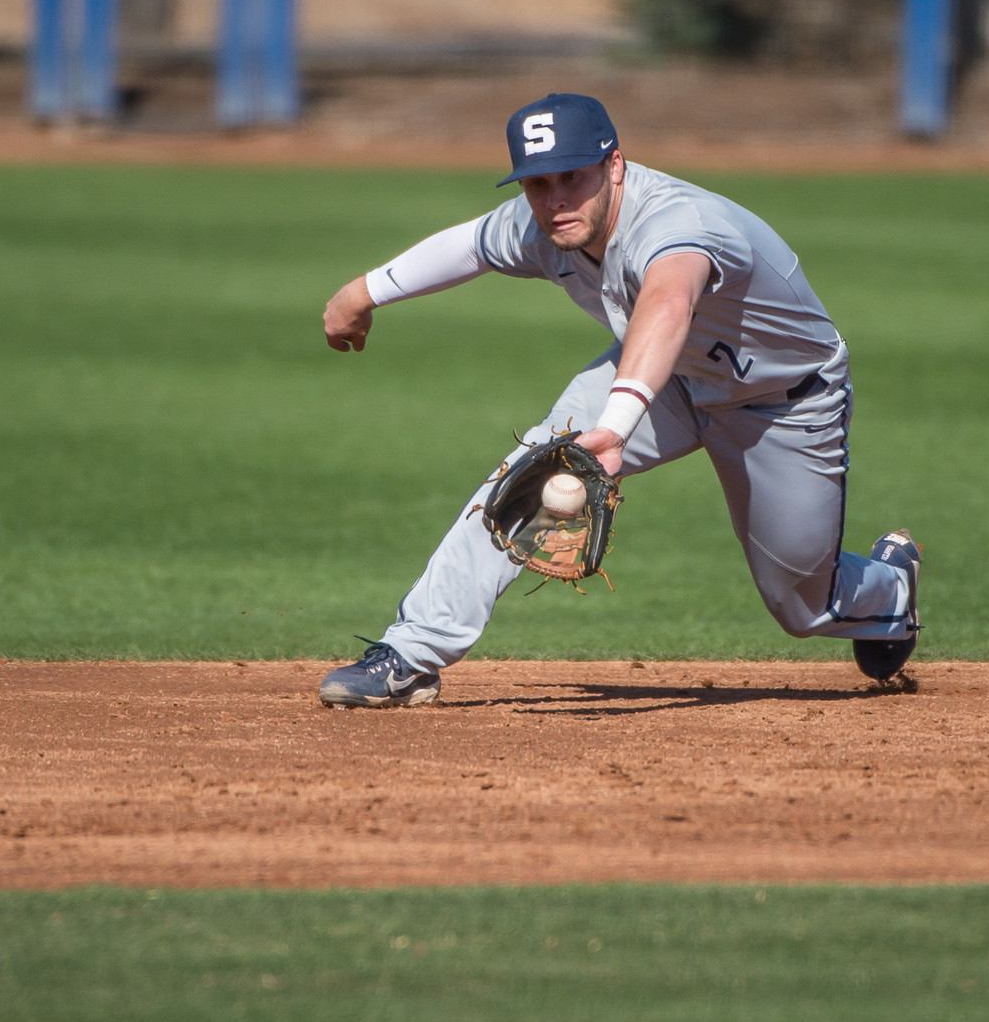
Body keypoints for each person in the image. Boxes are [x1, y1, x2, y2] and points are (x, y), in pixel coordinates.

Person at [316, 93, 920, 707]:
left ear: (614, 166)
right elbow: (471, 245)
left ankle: (890, 591)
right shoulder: (545, 225)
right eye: (537, 182)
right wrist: (361, 293)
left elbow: (667, 304)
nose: (554, 200)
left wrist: (616, 425)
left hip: (781, 403)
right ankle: (412, 653)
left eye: (572, 178)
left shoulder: (676, 224)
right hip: (669, 379)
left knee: (801, 603)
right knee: (532, 473)